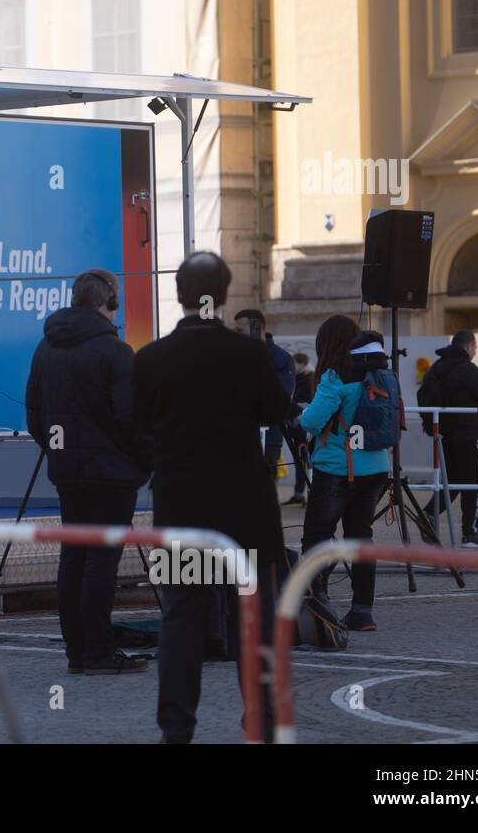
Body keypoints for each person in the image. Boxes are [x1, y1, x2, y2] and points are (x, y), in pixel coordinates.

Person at [133, 252, 291, 743]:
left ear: (178, 294)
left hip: (182, 508)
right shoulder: (249, 355)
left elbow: (136, 427)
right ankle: (262, 720)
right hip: (245, 509)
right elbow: (277, 410)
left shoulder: (152, 358)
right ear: (223, 295)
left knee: (181, 618)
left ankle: (176, 727)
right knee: (254, 617)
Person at [25, 269, 152, 676]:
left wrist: (58, 451)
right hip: (112, 474)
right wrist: (144, 461)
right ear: (108, 301)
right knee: (101, 562)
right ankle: (98, 651)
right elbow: (130, 418)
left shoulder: (46, 348)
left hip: (67, 471)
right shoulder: (116, 352)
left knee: (75, 557)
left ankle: (78, 651)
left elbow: (34, 415)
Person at [297, 318, 392, 632]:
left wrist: (302, 415)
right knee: (361, 537)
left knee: (317, 537)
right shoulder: (379, 372)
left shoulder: (336, 375)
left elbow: (312, 422)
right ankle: (362, 612)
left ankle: (316, 607)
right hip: (375, 467)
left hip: (338, 468)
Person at [417, 330, 478, 547]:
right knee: (475, 484)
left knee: (452, 482)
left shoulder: (436, 368)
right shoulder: (468, 369)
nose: (475, 351)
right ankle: (470, 533)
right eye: (475, 347)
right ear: (469, 346)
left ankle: (427, 514)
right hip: (470, 436)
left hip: (445, 436)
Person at [234, 308, 296, 476]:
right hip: (237, 435)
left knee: (264, 484)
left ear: (256, 327)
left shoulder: (281, 359)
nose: (236, 335)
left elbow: (280, 399)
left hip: (268, 436)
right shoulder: (234, 357)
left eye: (240, 330)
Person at [284, 351, 315, 505]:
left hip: (302, 428)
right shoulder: (303, 378)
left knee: (304, 463)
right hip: (299, 427)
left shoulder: (306, 379)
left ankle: (303, 495)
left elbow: (303, 404)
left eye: (294, 363)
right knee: (301, 463)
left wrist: (286, 409)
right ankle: (300, 494)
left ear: (301, 363)